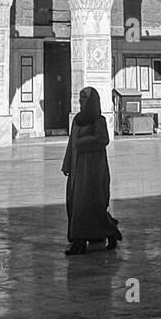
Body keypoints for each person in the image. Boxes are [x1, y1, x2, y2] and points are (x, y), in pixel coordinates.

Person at [61, 86, 121, 254]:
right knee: (77, 205)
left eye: (84, 100)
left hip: (94, 170)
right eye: (80, 100)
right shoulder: (78, 119)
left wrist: (83, 142)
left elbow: (103, 139)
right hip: (78, 169)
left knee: (92, 205)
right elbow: (72, 142)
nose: (80, 103)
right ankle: (79, 241)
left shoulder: (98, 120)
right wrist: (67, 164)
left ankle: (110, 232)